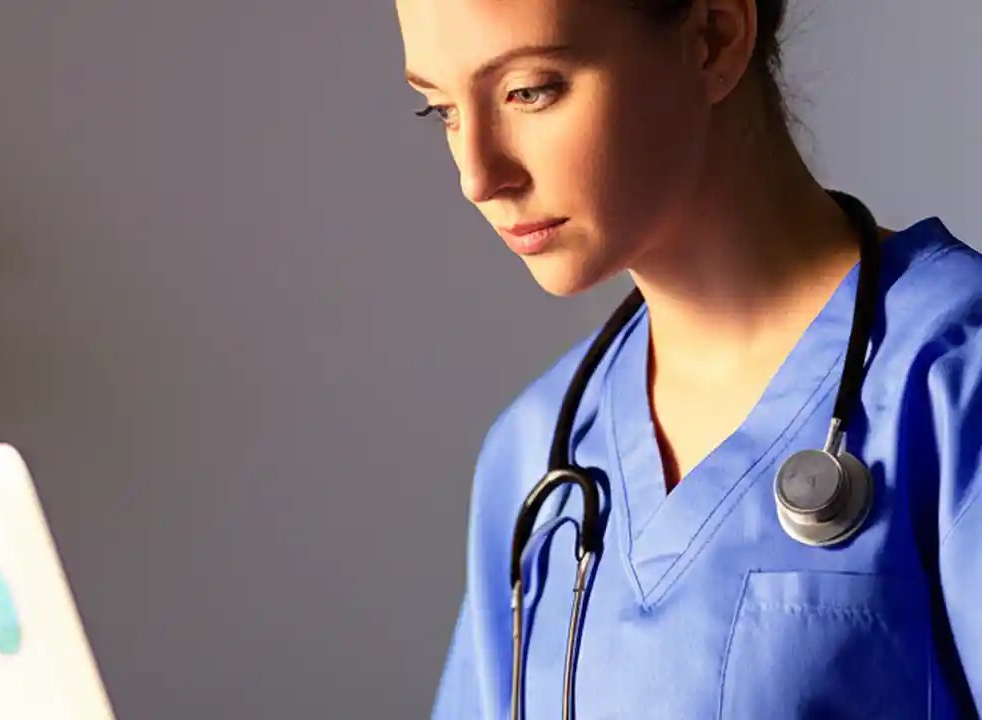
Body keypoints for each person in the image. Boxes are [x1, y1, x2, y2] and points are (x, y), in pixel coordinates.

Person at [395, 0, 982, 717]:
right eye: (442, 111)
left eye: (529, 91)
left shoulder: (950, 374)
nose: (477, 175)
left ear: (712, 39)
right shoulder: (534, 452)